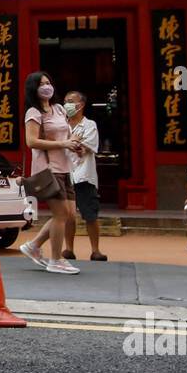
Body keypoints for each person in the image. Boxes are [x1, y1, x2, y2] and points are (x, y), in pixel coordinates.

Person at [18, 72, 82, 274]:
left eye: (48, 82)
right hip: (48, 168)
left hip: (65, 167)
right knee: (61, 213)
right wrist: (63, 143)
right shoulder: (34, 113)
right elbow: (31, 141)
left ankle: (33, 245)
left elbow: (67, 135)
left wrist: (74, 144)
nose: (47, 87)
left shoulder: (59, 109)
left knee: (69, 214)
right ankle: (56, 260)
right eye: (42, 84)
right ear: (33, 89)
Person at [63, 90, 106, 261]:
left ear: (81, 105)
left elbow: (87, 146)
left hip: (84, 175)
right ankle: (69, 249)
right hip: (66, 173)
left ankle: (95, 250)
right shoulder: (62, 125)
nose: (67, 104)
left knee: (90, 214)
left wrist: (72, 143)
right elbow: (61, 144)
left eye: (71, 101)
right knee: (68, 215)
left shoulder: (90, 125)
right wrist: (73, 143)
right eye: (65, 101)